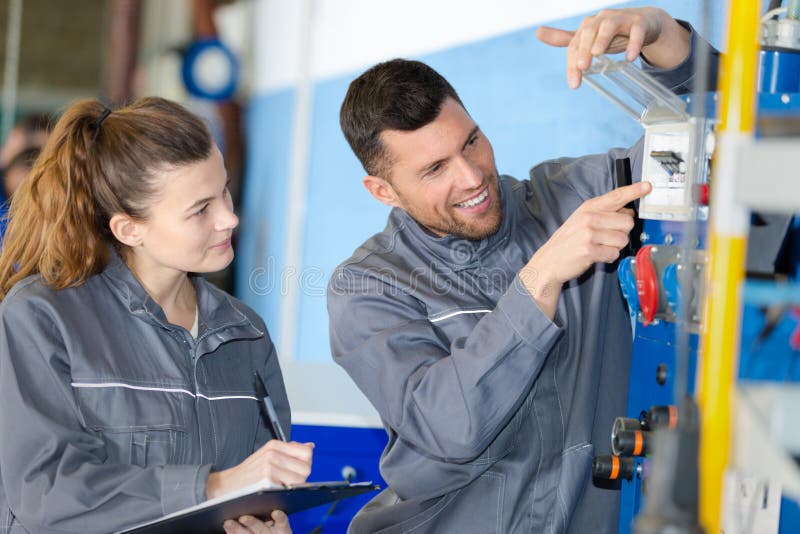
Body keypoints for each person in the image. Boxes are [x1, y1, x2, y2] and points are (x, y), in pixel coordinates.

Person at [327, 7, 718, 533]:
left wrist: (668, 42)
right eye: (435, 169)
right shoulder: (369, 285)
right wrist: (539, 278)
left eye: (471, 141)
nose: (471, 177)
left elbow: (716, 145)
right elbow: (447, 426)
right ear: (384, 192)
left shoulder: (575, 199)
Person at [0, 97, 313, 534]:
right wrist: (213, 487)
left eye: (223, 190)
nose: (229, 217)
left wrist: (268, 523)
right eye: (201, 209)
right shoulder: (41, 318)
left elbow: (261, 491)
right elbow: (45, 491)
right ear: (130, 229)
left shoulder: (246, 334)